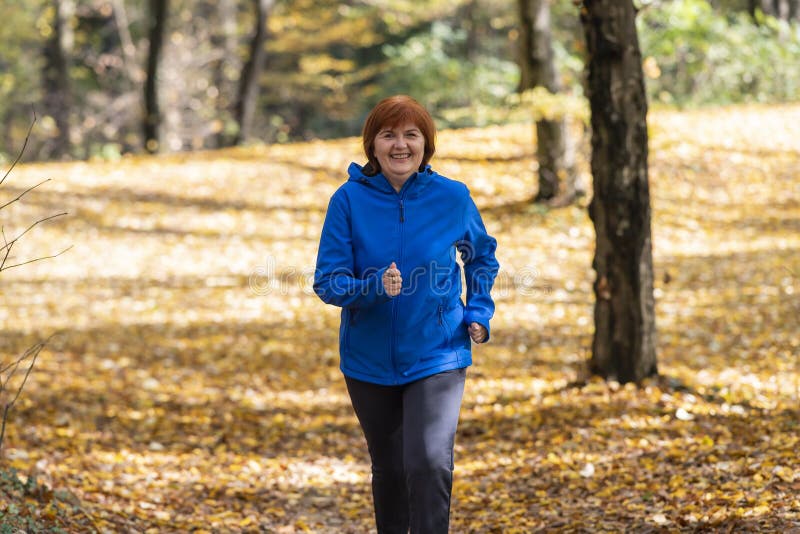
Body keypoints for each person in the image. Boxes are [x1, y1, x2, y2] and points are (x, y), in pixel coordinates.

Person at [313, 95, 499, 533]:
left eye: (411, 135)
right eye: (389, 135)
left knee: (429, 463)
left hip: (437, 352)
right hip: (368, 360)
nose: (401, 145)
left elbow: (481, 256)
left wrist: (478, 309)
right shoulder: (348, 201)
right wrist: (373, 288)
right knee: (392, 471)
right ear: (372, 145)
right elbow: (328, 281)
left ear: (425, 144)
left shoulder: (452, 198)